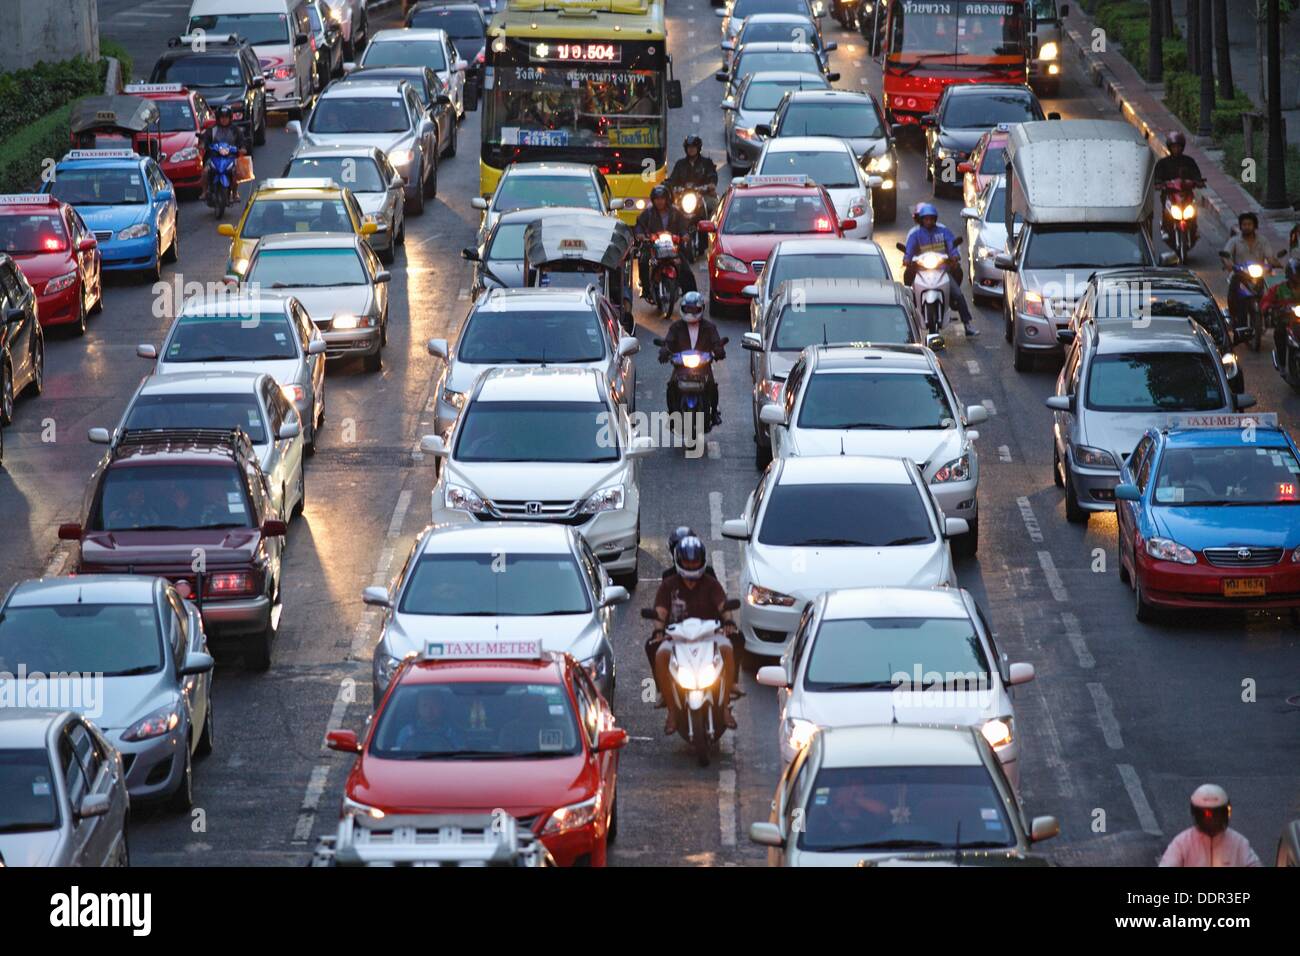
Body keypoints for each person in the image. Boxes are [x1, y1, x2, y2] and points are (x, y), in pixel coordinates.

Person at [650, 536, 739, 735]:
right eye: (688, 562)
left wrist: (729, 622)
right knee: (659, 654)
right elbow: (661, 611)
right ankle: (671, 708)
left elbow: (723, 606)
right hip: (677, 637)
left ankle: (725, 705)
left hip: (709, 634)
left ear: (702, 561)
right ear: (679, 561)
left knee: (728, 647)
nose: (691, 565)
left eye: (695, 561)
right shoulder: (668, 585)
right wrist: (658, 631)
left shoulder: (710, 583)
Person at [903, 202, 978, 336]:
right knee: (908, 296)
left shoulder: (943, 232)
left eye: (931, 218)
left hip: (942, 270)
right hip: (921, 271)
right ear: (921, 220)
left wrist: (954, 256)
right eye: (926, 219)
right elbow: (909, 249)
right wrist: (907, 259)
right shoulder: (916, 234)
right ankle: (907, 327)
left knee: (959, 295)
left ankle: (967, 324)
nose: (929, 221)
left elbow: (951, 245)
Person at [658, 292, 724, 428]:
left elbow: (716, 341)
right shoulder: (676, 327)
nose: (691, 312)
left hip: (703, 367)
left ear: (701, 309)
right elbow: (669, 342)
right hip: (681, 367)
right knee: (671, 385)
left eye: (694, 309)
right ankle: (672, 413)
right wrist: (664, 351)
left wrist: (718, 350)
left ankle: (714, 412)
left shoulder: (709, 327)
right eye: (688, 309)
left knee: (711, 384)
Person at [1159, 784, 1260, 867]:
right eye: (1205, 814)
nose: (1210, 820)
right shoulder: (1182, 843)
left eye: (1216, 814)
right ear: (1195, 814)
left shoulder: (1239, 843)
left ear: (1226, 813)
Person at [634, 184, 696, 303]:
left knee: (685, 268)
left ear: (667, 199)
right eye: (657, 199)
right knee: (643, 261)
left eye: (662, 198)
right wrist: (640, 234)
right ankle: (646, 290)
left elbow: (683, 226)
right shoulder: (648, 213)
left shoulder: (675, 212)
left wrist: (684, 235)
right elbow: (639, 226)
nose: (660, 201)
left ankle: (691, 297)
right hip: (652, 246)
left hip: (672, 247)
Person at [1220, 212, 1280, 330]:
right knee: (1232, 296)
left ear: (1255, 226)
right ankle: (1233, 317)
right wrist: (1229, 264)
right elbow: (1226, 255)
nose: (1246, 226)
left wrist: (1274, 262)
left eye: (1249, 224)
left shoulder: (1263, 241)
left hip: (1258, 275)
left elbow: (1269, 256)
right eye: (1244, 224)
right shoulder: (1235, 241)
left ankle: (1269, 317)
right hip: (1239, 274)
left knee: (1272, 295)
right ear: (1240, 226)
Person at [200, 105, 249, 202]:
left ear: (230, 118)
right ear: (218, 118)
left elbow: (242, 142)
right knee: (205, 172)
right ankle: (204, 192)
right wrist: (202, 144)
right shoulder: (212, 129)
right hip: (214, 157)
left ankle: (235, 193)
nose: (224, 120)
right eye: (222, 117)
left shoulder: (235, 130)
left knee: (236, 172)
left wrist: (243, 148)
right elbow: (205, 139)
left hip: (230, 158)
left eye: (226, 117)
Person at [394, 689, 464, 753]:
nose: (429, 711)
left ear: (442, 707)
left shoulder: (451, 732)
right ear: (418, 707)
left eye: (434, 705)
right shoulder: (407, 732)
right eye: (424, 705)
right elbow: (398, 754)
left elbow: (460, 755)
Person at [666, 135, 719, 218]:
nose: (691, 149)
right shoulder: (680, 164)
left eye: (694, 147)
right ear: (686, 148)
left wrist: (711, 184)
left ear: (698, 148)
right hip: (682, 196)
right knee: (668, 208)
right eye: (689, 147)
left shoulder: (707, 163)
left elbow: (713, 176)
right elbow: (673, 179)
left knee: (715, 206)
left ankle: (712, 227)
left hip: (703, 195)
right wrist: (666, 185)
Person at [1259, 256, 1300, 359]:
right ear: (1290, 275)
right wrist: (1269, 307)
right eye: (1297, 275)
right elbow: (1265, 301)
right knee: (1279, 333)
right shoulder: (1278, 289)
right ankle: (1281, 361)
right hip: (1286, 320)